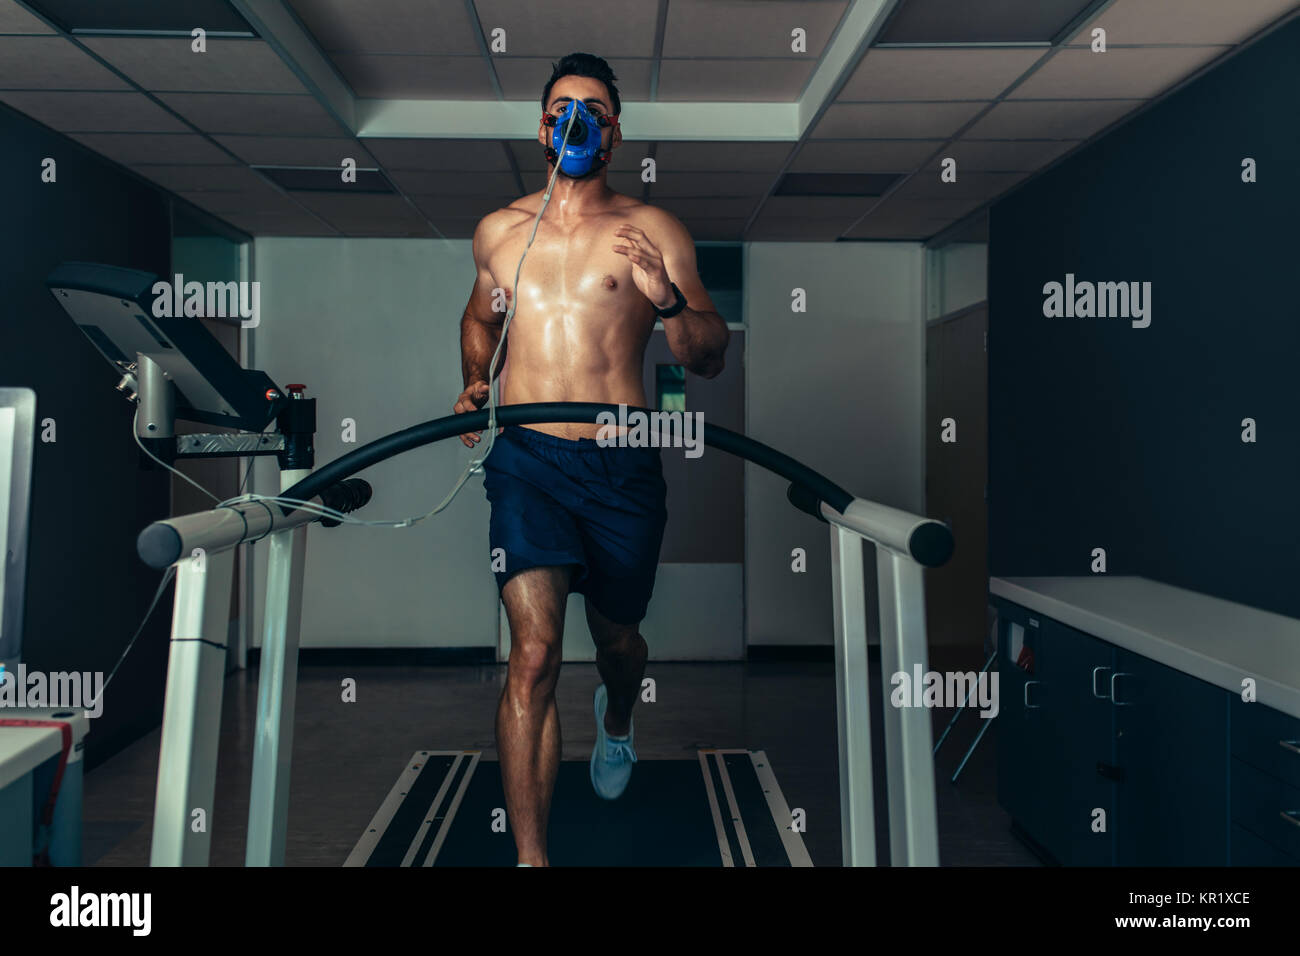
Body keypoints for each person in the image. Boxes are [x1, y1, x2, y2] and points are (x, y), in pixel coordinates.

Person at [454, 52, 730, 867]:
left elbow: (708, 355)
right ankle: (532, 861)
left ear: (615, 133)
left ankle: (618, 714)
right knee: (534, 655)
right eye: (564, 108)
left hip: (623, 463)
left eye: (596, 111)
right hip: (528, 461)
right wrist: (474, 379)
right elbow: (478, 320)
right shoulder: (500, 231)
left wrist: (668, 297)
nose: (578, 121)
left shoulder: (652, 230)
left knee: (617, 642)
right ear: (542, 127)